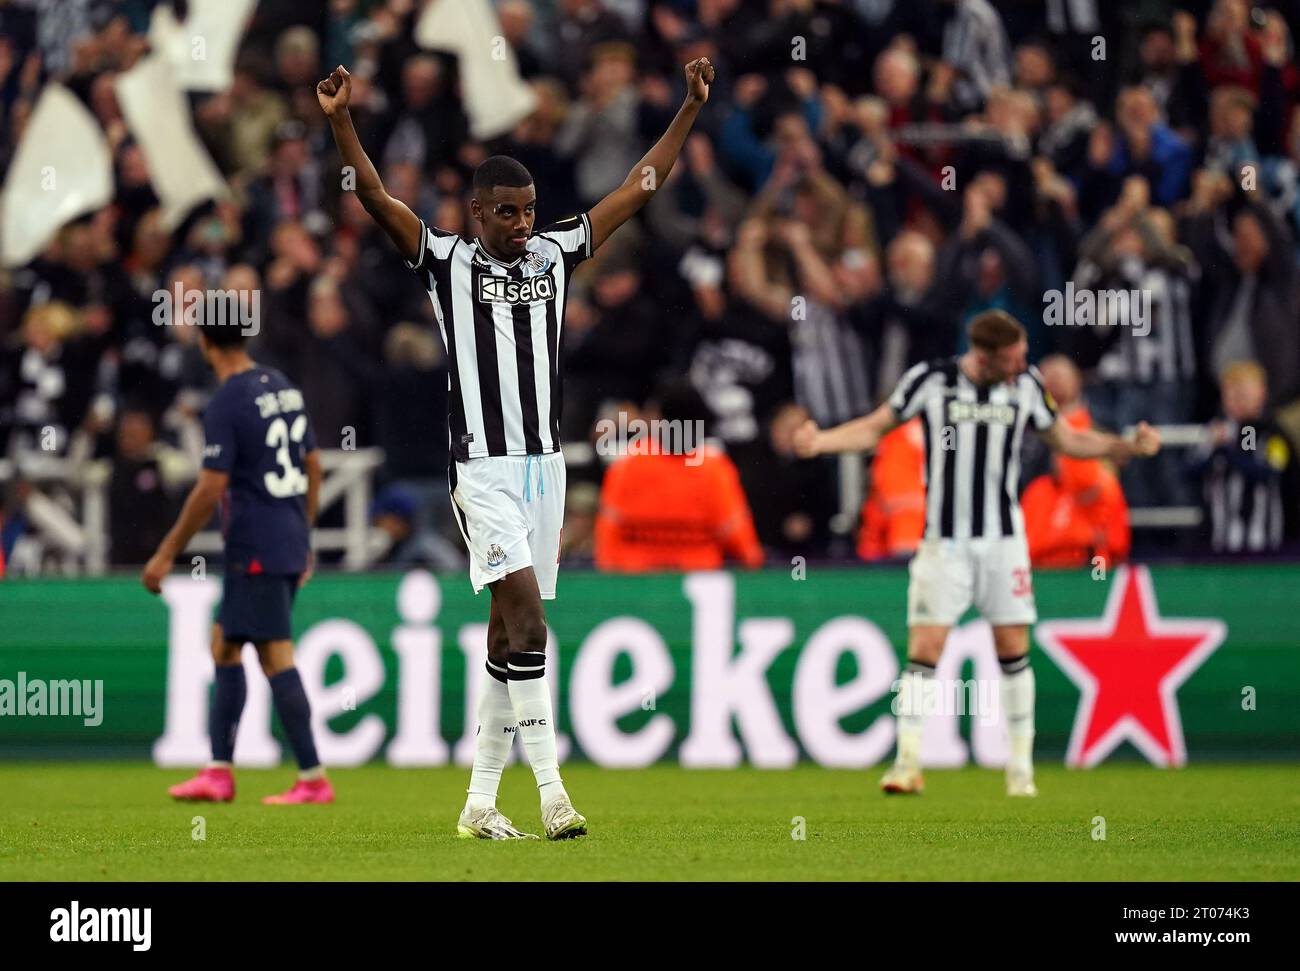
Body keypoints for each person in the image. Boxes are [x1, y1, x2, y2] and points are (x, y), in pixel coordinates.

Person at [316, 56, 715, 839]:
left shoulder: (557, 254)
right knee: (530, 625)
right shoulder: (445, 262)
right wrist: (339, 122)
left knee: (508, 638)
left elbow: (640, 187)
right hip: (483, 471)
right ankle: (554, 793)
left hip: (546, 468)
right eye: (506, 212)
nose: (522, 224)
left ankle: (476, 804)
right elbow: (373, 195)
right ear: (474, 212)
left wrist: (690, 109)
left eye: (529, 210)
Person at [793, 310, 1161, 797]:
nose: (1024, 363)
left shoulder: (1025, 386)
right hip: (944, 541)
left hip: (1003, 542)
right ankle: (906, 763)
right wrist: (822, 441)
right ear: (985, 358)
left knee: (1013, 647)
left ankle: (1020, 770)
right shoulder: (931, 380)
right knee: (924, 650)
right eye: (1014, 357)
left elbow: (1066, 438)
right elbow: (876, 427)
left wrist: (1123, 446)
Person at [141, 317, 329, 806]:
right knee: (226, 645)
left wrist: (165, 552)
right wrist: (302, 534)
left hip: (256, 546)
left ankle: (309, 778)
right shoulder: (282, 386)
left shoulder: (226, 400)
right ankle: (223, 771)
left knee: (273, 656)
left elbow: (210, 486)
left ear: (206, 343)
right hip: (284, 536)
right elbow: (314, 464)